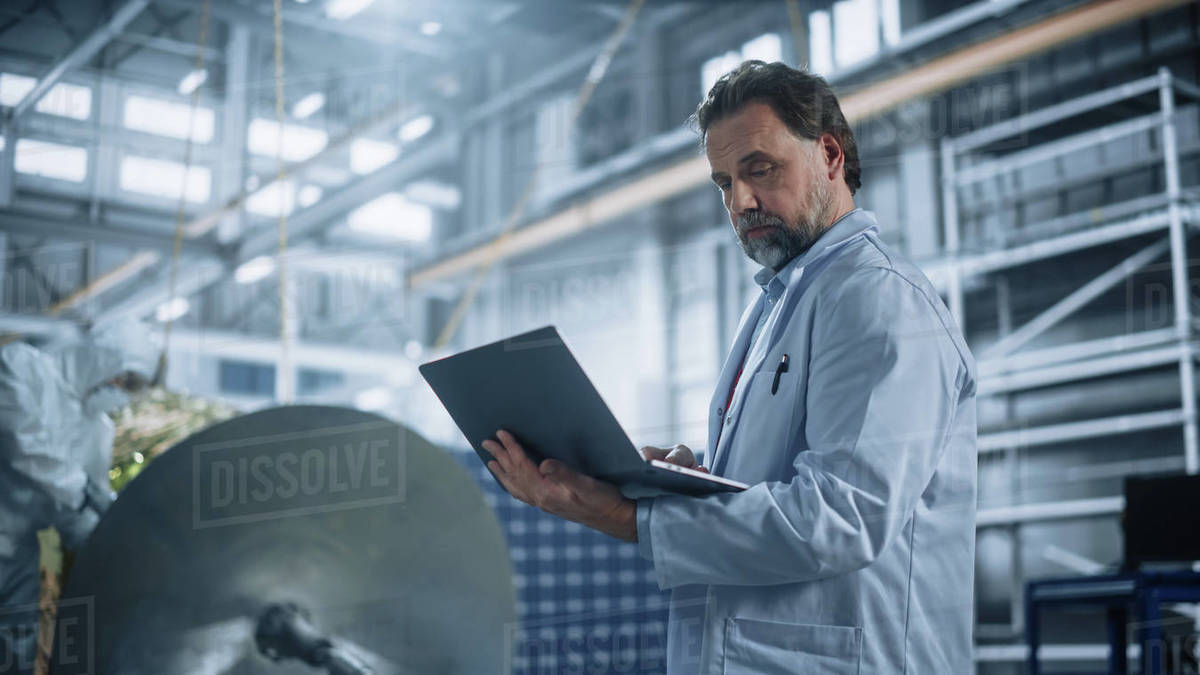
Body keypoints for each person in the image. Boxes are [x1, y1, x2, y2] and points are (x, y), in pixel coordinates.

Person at [483, 60, 977, 674]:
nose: (740, 201)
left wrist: (627, 517)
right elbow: (782, 489)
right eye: (723, 182)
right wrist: (690, 481)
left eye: (759, 169)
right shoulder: (779, 305)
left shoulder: (876, 296)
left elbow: (841, 518)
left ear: (829, 155)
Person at [0, 321, 159, 674]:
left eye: (130, 387)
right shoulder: (22, 367)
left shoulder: (99, 430)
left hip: (23, 556)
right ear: (102, 357)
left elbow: (81, 509)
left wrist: (111, 540)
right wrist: (83, 492)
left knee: (16, 651)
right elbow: (23, 447)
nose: (119, 391)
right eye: (124, 378)